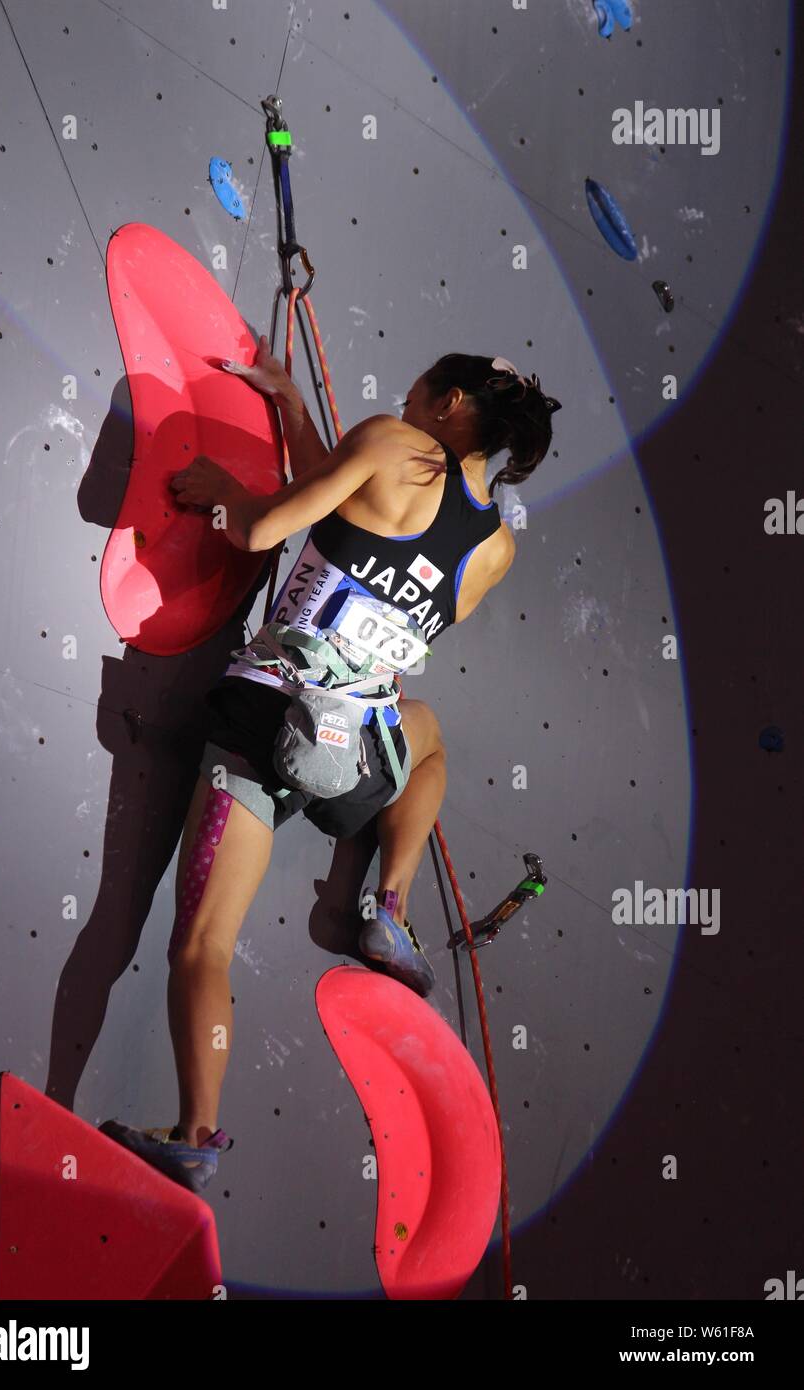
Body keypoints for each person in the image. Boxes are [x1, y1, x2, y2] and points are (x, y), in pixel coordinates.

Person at [99, 340, 561, 1192]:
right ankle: (389, 903)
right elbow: (342, 514)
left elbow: (263, 526)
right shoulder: (496, 548)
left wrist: (222, 492)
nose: (407, 401)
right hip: (353, 756)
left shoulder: (391, 442)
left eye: (420, 392)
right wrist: (292, 403)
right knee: (429, 735)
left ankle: (198, 1128)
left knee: (203, 946)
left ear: (451, 402)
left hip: (268, 716)